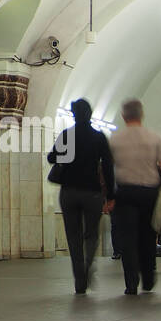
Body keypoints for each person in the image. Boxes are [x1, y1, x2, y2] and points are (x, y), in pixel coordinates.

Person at [108, 99, 161, 296]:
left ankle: (131, 282)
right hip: (149, 193)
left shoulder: (115, 139)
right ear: (142, 115)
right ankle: (148, 277)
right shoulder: (155, 138)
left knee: (127, 238)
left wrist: (108, 196)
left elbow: (106, 168)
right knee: (148, 235)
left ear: (123, 116)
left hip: (125, 192)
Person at [48, 98, 116, 295]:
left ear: (73, 114)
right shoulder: (98, 137)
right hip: (92, 192)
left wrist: (67, 158)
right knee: (91, 233)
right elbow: (108, 167)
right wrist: (110, 194)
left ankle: (79, 278)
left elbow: (51, 157)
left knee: (73, 235)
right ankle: (87, 265)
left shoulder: (67, 136)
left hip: (69, 192)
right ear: (91, 113)